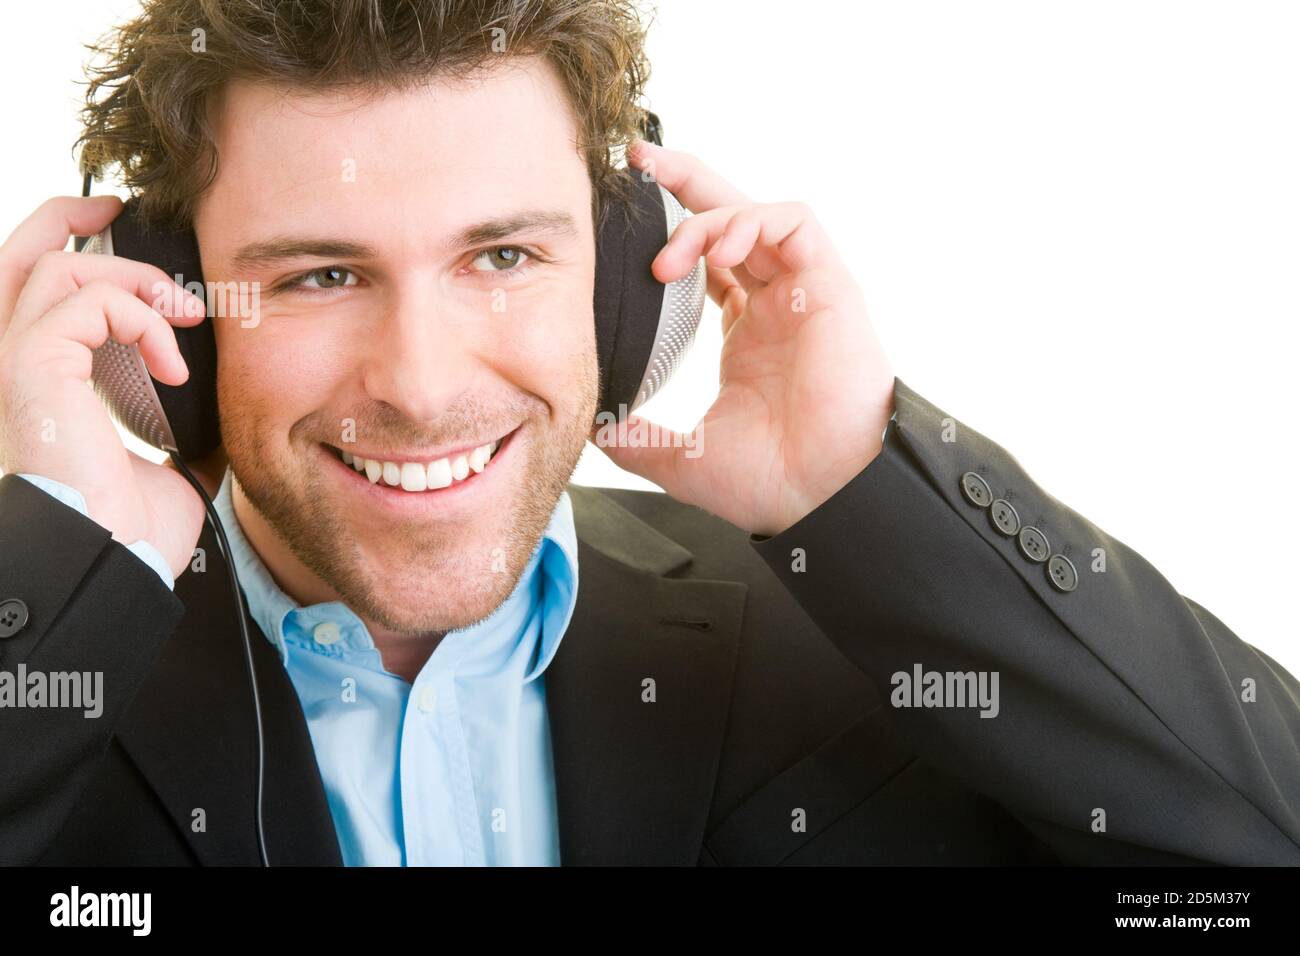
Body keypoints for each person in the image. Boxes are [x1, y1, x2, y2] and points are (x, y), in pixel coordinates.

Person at [0, 0, 1296, 866]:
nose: (418, 380)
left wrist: (862, 478)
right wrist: (55, 555)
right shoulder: (55, 682)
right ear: (172, 311)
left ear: (630, 289)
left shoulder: (858, 631)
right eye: (318, 276)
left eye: (503, 254)